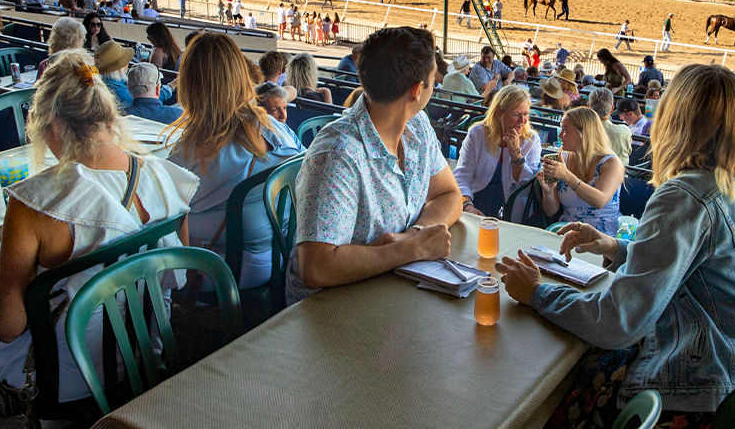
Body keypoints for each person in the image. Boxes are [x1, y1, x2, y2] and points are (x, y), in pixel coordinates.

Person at [497, 63, 735, 428]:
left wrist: (536, 292)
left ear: (676, 122)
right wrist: (613, 247)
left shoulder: (688, 195)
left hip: (712, 399)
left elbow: (618, 322)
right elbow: (689, 267)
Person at [0, 49, 196, 406]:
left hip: (69, 380)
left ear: (53, 125)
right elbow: (179, 269)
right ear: (110, 118)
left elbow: (8, 326)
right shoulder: (163, 176)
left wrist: (2, 280)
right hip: (149, 357)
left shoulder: (31, 203)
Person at [286, 27, 463, 304]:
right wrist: (411, 249)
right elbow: (317, 267)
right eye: (432, 81)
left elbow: (450, 195)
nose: (433, 86)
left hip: (390, 291)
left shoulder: (417, 126)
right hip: (328, 310)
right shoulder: (337, 154)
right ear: (417, 91)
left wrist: (411, 236)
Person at [168, 33, 304, 290]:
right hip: (284, 256)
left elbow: (169, 229)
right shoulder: (276, 127)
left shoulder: (188, 155)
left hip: (225, 276)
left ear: (190, 86)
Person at [454, 85, 541, 218]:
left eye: (526, 114)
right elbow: (463, 173)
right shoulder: (477, 133)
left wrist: (516, 154)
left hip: (513, 208)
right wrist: (467, 205)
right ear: (499, 113)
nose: (522, 120)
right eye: (516, 114)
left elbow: (527, 186)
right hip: (477, 200)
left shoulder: (531, 140)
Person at [538, 107, 624, 234]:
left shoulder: (611, 163)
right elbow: (551, 211)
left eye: (565, 130)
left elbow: (599, 201)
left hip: (604, 233)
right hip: (569, 229)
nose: (560, 135)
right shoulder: (563, 158)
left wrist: (567, 176)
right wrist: (549, 191)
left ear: (584, 133)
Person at [588, 87, 632, 165]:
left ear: (588, 107)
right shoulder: (625, 131)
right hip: (621, 176)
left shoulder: (581, 130)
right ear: (612, 109)